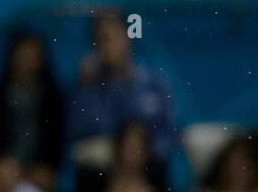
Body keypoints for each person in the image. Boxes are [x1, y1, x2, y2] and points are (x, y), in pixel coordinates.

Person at [67, 8, 178, 165]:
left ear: (128, 35)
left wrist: (143, 152)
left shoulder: (152, 83)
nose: (107, 46)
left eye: (112, 37)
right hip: (106, 169)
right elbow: (81, 131)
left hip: (149, 165)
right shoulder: (89, 85)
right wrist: (86, 88)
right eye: (101, 39)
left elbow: (170, 132)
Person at [0, 29, 65, 192]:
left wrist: (46, 170)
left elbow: (56, 143)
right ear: (11, 57)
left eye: (33, 55)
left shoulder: (54, 100)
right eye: (23, 54)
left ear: (41, 59)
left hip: (38, 176)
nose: (27, 60)